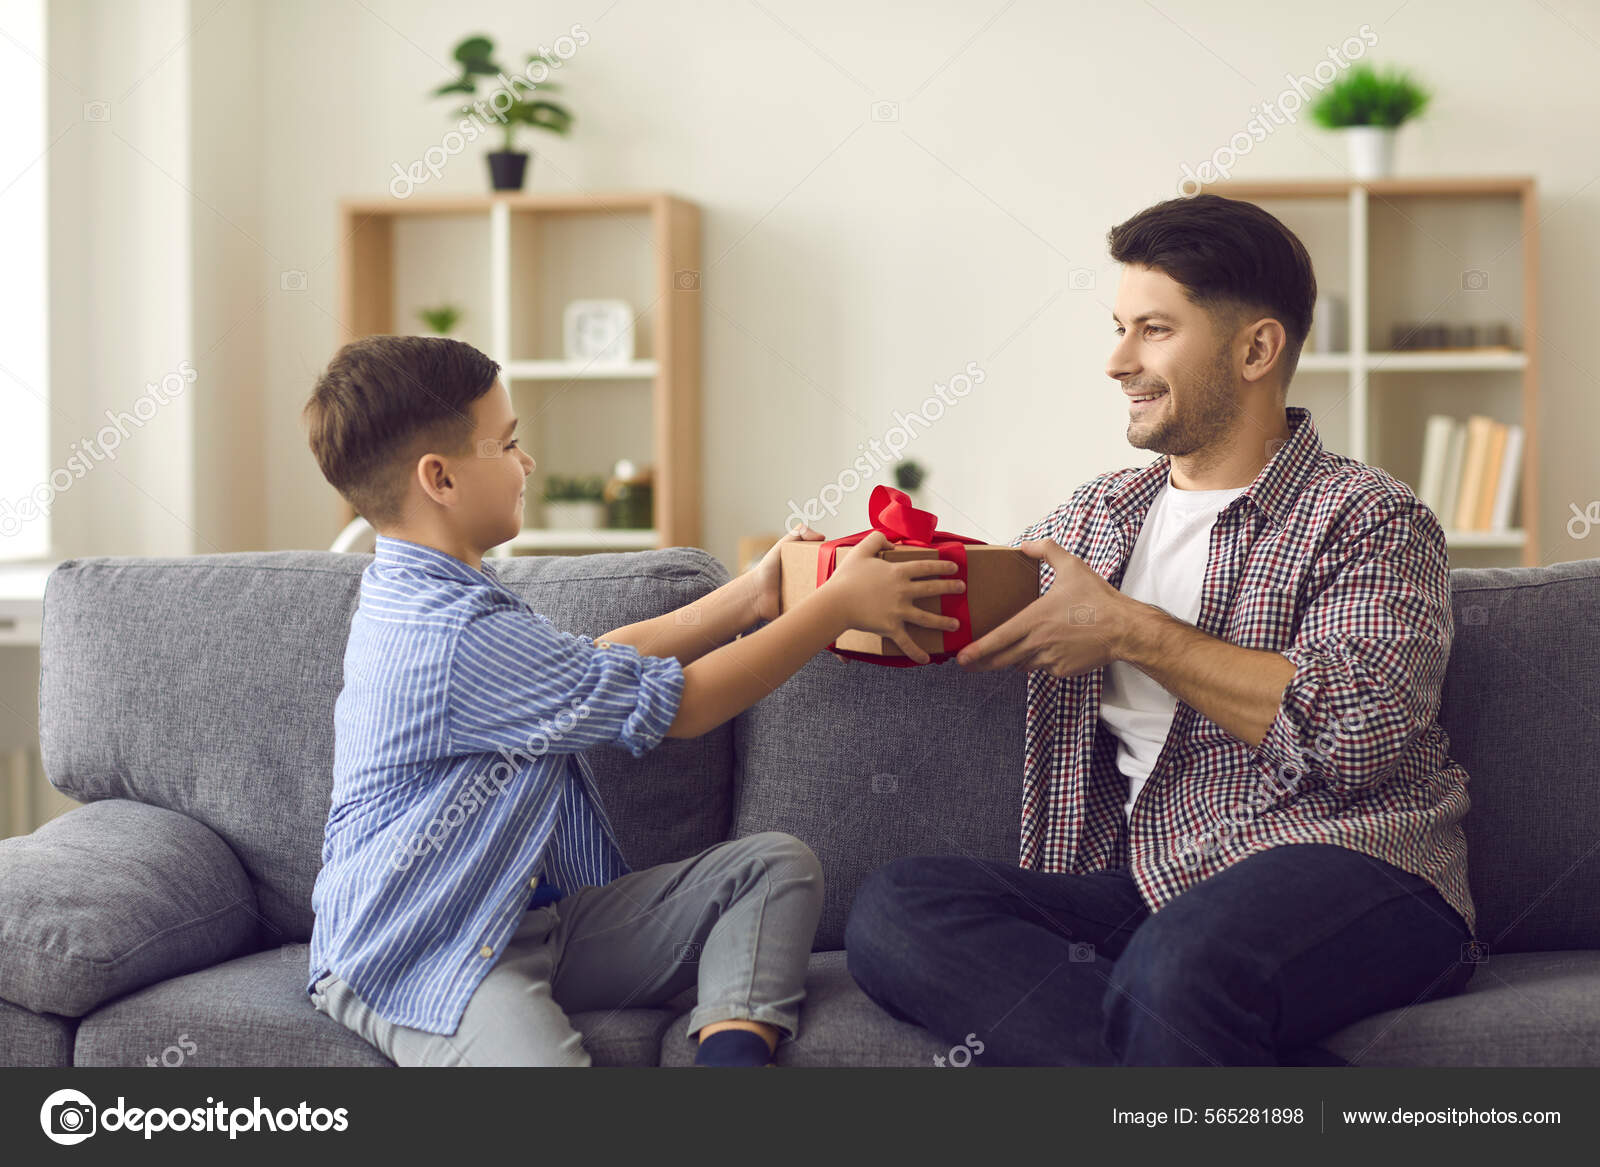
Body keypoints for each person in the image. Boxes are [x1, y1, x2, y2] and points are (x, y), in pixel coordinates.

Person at [845, 193, 1477, 1066]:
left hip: (1358, 869)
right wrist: (830, 583)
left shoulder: (1368, 514)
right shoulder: (1099, 514)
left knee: (1174, 967)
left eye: (1153, 329)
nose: (1117, 361)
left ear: (1256, 348)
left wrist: (1133, 631)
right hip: (1156, 881)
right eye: (1118, 327)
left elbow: (1357, 735)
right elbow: (970, 598)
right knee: (897, 907)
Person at [300, 334, 966, 1066]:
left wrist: (750, 594)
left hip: (527, 919)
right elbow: (684, 707)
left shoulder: (444, 590)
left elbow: (598, 663)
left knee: (773, 866)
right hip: (423, 945)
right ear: (441, 478)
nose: (527, 462)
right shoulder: (449, 632)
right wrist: (834, 605)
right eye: (510, 443)